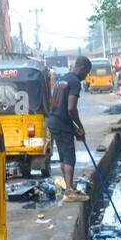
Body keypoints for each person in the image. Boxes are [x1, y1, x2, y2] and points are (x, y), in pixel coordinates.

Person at [45, 55, 92, 203]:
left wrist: (74, 129)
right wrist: (80, 127)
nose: (85, 77)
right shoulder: (75, 82)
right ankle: (69, 192)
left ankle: (68, 189)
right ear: (82, 68)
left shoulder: (61, 80)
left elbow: (59, 108)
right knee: (70, 156)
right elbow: (71, 109)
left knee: (64, 156)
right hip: (61, 122)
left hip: (54, 121)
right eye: (86, 73)